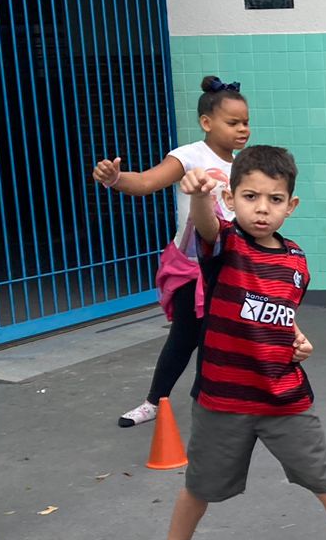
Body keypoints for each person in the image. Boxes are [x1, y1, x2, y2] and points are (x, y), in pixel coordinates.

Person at [123, 145, 326, 540]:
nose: (262, 208)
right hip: (221, 400)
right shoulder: (224, 245)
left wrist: (299, 343)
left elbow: (279, 318)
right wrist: (202, 195)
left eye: (275, 199)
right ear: (231, 197)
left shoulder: (297, 263)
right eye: (249, 197)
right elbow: (206, 225)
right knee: (197, 488)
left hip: (283, 398)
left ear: (291, 205)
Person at [92, 75, 248, 427]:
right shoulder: (190, 156)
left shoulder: (244, 164)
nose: (242, 129)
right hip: (192, 270)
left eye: (246, 122)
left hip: (232, 268)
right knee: (184, 339)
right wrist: (115, 178)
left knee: (221, 342)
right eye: (233, 122)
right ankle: (153, 402)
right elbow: (146, 182)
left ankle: (211, 408)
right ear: (206, 123)